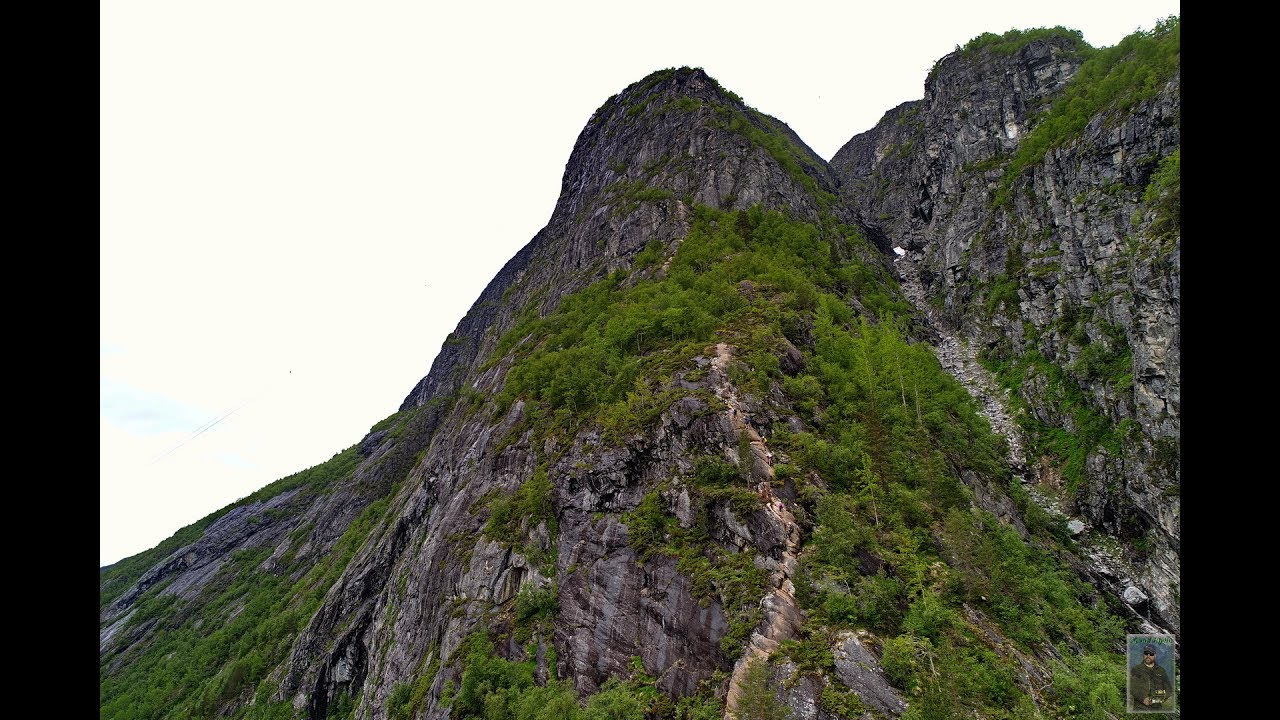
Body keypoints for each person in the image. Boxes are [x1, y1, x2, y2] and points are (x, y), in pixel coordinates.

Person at [1129, 644, 1172, 711]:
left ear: (1155, 656)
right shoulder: (1136, 669)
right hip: (1140, 708)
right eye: (1146, 653)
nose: (1148, 656)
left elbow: (1169, 689)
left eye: (1151, 654)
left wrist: (1158, 699)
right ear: (1143, 655)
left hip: (1157, 709)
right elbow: (1132, 687)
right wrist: (1143, 698)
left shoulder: (1161, 671)